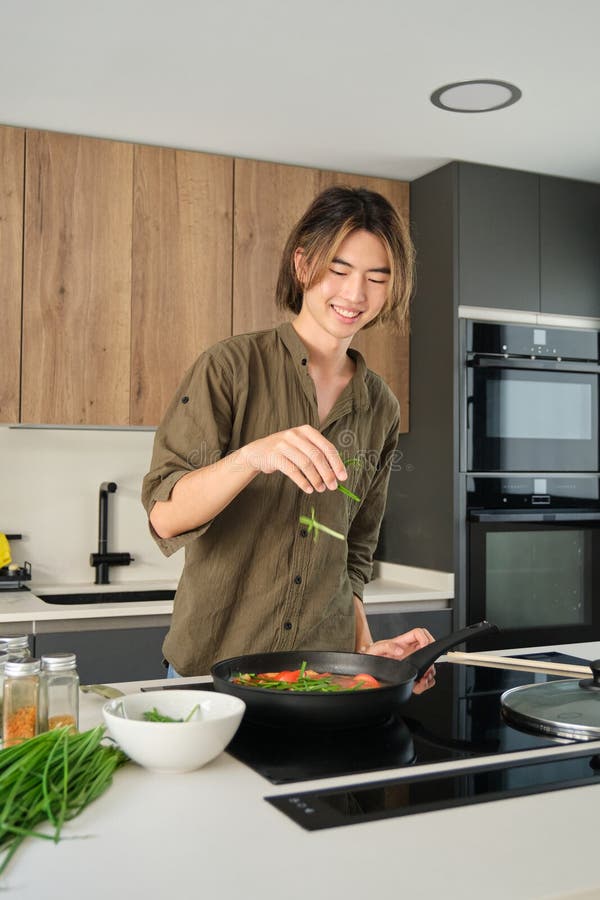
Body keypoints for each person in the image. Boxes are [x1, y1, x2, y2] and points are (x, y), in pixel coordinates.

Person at [141, 185, 435, 692]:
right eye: (339, 270)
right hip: (212, 675)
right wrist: (254, 456)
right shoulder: (230, 368)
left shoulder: (381, 405)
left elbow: (353, 554)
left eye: (377, 277)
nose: (355, 294)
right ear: (303, 265)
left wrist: (366, 652)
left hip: (320, 678)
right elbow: (165, 517)